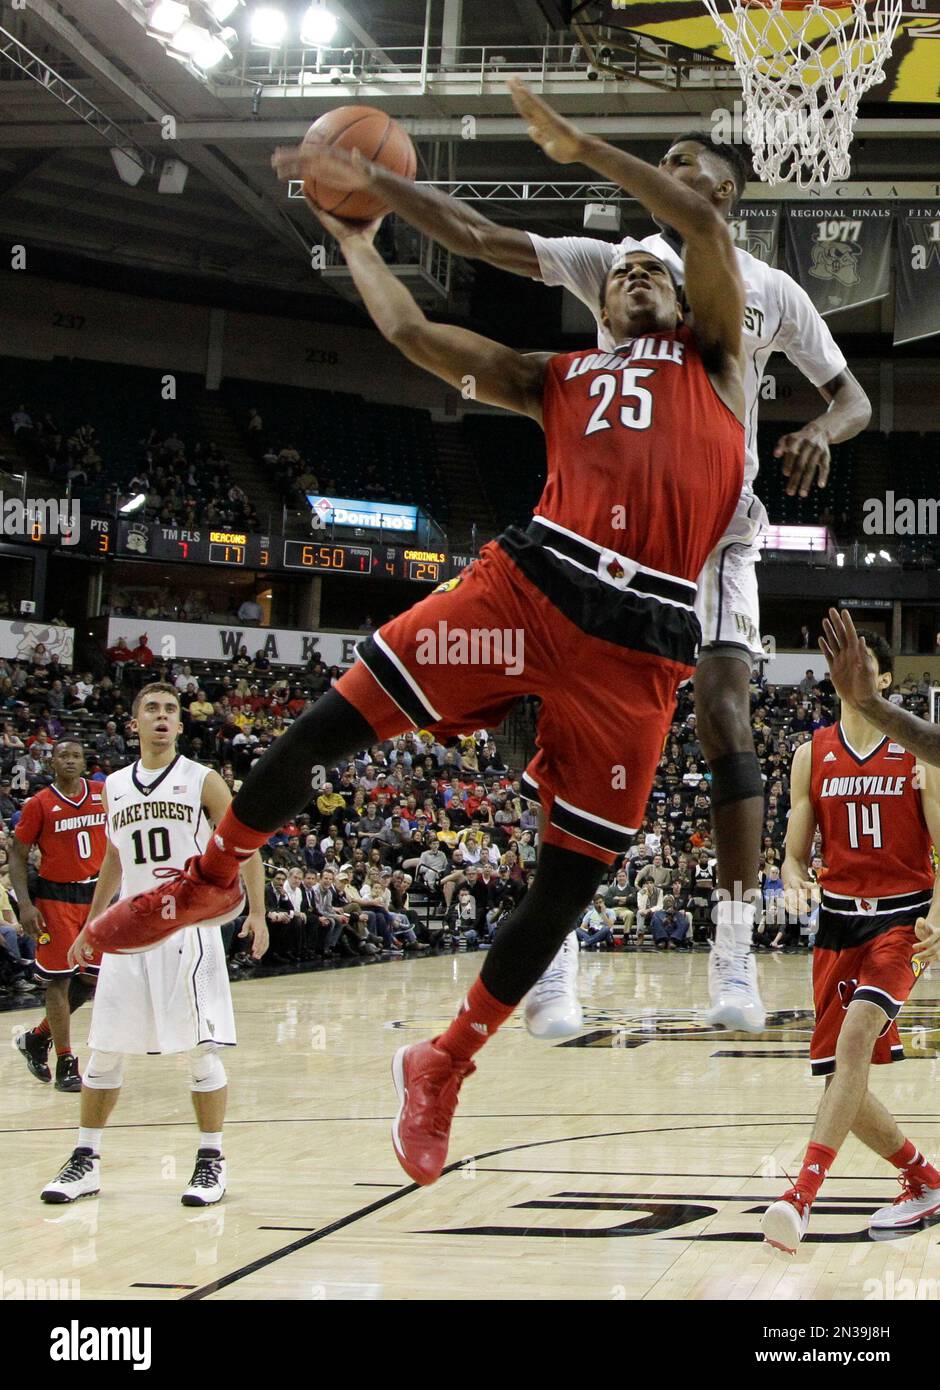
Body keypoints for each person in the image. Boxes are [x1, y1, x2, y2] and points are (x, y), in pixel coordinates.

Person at [74, 83, 746, 1189]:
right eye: (621, 270)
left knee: (572, 879)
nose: (636, 272)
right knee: (325, 727)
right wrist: (359, 225)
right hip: (525, 596)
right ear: (600, 304)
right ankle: (211, 870)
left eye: (652, 269)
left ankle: (441, 1061)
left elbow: (706, 227)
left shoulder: (716, 367)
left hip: (640, 648)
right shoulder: (557, 376)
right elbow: (407, 331)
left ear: (682, 300)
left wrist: (580, 149)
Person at [288, 87, 871, 1038]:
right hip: (600, 534)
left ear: (724, 192)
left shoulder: (767, 289)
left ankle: (733, 953)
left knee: (727, 717)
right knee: (553, 728)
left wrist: (822, 433)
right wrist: (381, 189)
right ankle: (555, 955)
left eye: (687, 169)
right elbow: (476, 236)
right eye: (665, 166)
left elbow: (851, 400)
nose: (670, 180)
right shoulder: (617, 264)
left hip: (717, 527)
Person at [39, 683, 267, 1207]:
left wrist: (257, 912)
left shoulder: (201, 780)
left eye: (170, 711)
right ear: (134, 723)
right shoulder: (113, 786)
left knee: (201, 1052)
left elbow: (246, 842)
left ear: (180, 725)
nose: (162, 718)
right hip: (131, 928)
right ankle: (86, 1161)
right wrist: (91, 926)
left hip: (189, 928)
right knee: (104, 1051)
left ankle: (212, 1162)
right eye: (152, 710)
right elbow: (114, 861)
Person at [761, 633, 940, 1252]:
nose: (847, 671)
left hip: (901, 920)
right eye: (839, 662)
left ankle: (799, 1196)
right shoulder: (811, 753)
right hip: (837, 923)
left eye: (862, 664)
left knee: (858, 1037)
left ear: (885, 681)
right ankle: (924, 1178)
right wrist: (791, 876)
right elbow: (792, 850)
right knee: (843, 1074)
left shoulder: (917, 750)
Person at [10, 741, 107, 1091]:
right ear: (52, 762)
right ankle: (66, 1059)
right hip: (55, 898)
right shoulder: (39, 804)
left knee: (90, 980)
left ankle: (37, 1038)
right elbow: (18, 855)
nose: (69, 760)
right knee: (59, 979)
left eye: (76, 755)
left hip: (96, 896)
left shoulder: (103, 792)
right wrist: (24, 904)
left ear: (84, 762)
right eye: (63, 755)